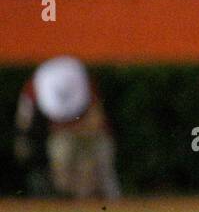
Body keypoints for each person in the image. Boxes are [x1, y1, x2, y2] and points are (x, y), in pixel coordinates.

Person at [13, 56, 121, 200]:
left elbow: (97, 120)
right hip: (62, 136)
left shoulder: (84, 82)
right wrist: (22, 138)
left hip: (91, 136)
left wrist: (76, 130)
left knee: (94, 174)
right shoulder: (34, 86)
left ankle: (108, 202)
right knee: (62, 173)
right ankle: (69, 202)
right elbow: (24, 117)